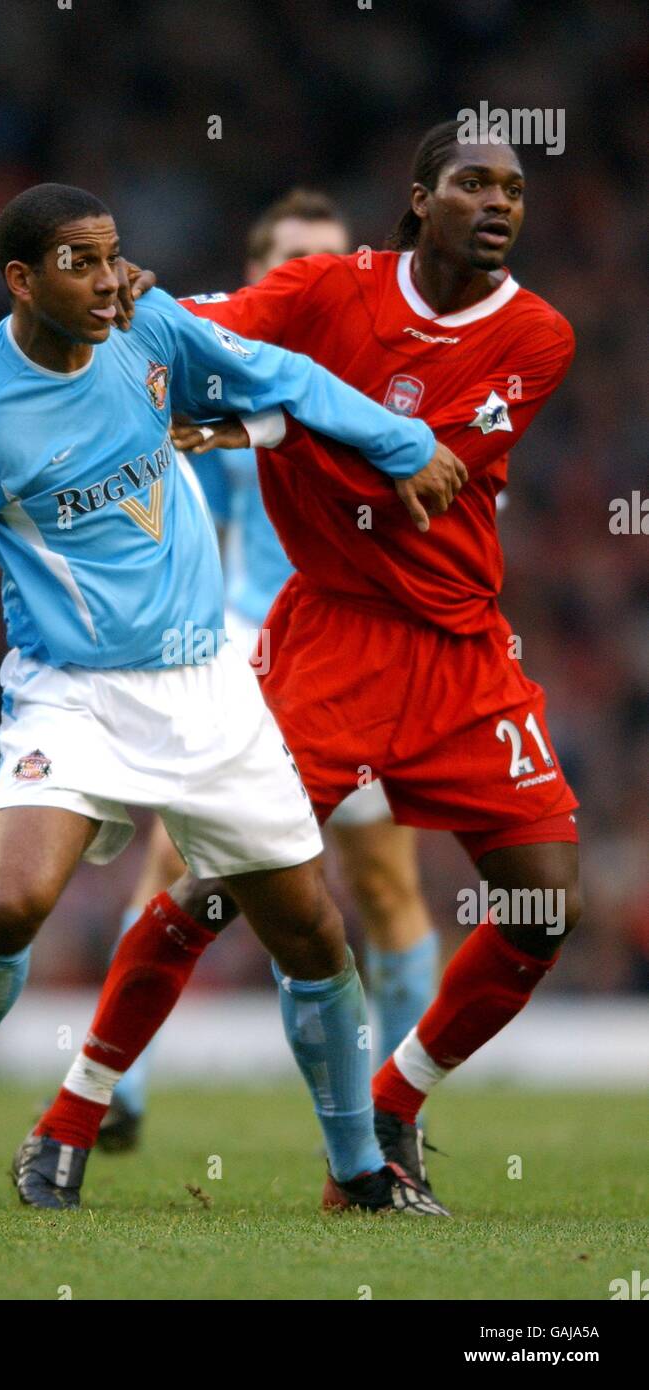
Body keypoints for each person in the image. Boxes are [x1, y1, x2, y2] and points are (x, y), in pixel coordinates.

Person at [0, 182, 463, 1214]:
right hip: (72, 695)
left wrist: (398, 442)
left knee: (312, 934)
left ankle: (361, 1169)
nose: (107, 281)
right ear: (21, 278)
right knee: (11, 903)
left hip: (209, 689)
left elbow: (272, 371)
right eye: (80, 264)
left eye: (112, 257)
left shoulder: (151, 330)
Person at [96, 119, 581, 1195]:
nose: (499, 203)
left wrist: (267, 422)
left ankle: (392, 1100)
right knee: (216, 881)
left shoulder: (537, 334)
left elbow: (422, 474)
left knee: (541, 904)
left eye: (512, 188)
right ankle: (85, 1101)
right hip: (324, 636)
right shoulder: (327, 291)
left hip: (458, 649)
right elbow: (203, 342)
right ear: (418, 199)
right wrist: (134, 304)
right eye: (472, 183)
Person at [100, 190, 438, 1153]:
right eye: (295, 257)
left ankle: (395, 1102)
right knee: (187, 855)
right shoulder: (214, 380)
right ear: (258, 273)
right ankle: (119, 1083)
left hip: (366, 641)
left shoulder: (380, 378)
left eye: (334, 260)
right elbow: (173, 509)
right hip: (248, 636)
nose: (317, 274)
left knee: (381, 881)